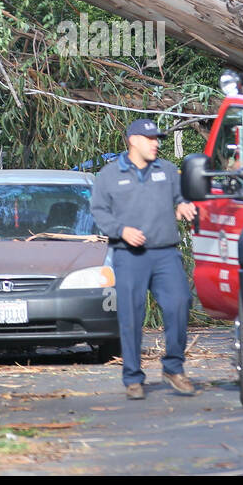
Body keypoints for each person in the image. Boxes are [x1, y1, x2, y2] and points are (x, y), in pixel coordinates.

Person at [90, 118, 199, 399]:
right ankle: (133, 377)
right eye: (150, 139)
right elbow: (99, 211)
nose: (156, 144)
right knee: (131, 316)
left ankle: (173, 368)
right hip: (129, 255)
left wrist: (184, 205)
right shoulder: (109, 175)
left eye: (158, 139)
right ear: (133, 141)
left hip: (165, 253)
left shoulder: (166, 170)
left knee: (179, 303)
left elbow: (182, 197)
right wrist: (121, 230)